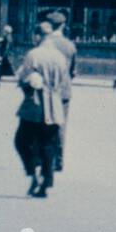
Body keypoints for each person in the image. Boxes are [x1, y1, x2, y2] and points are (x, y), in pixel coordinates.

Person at [14, 26, 69, 197]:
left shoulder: (34, 54)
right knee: (48, 144)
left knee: (21, 140)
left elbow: (24, 77)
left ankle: (33, 172)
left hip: (35, 104)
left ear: (38, 35)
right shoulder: (60, 57)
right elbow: (63, 80)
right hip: (55, 105)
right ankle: (46, 181)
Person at [44, 11, 77, 171]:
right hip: (63, 90)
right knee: (60, 125)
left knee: (43, 123)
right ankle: (59, 160)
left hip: (45, 89)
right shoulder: (69, 45)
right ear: (63, 25)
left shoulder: (44, 43)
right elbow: (73, 71)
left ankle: (44, 159)